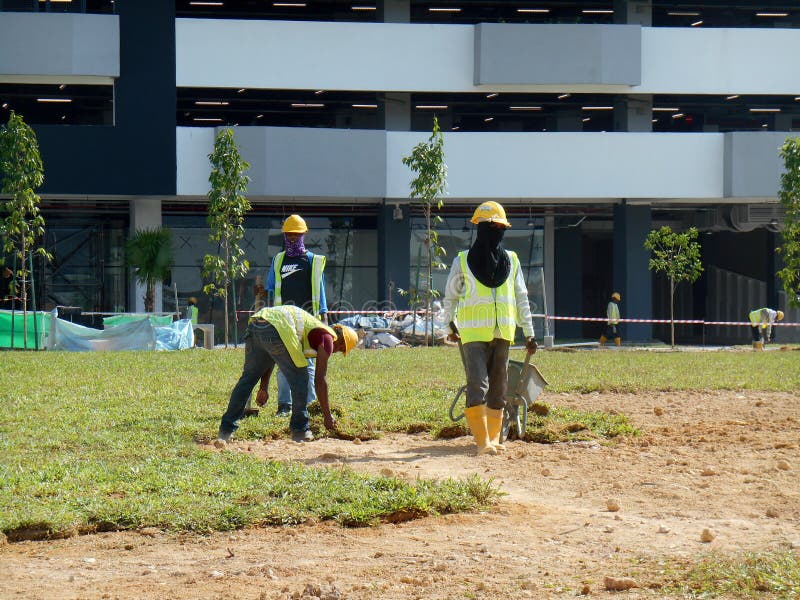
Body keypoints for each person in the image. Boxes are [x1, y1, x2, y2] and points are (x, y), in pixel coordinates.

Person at [441, 201, 537, 456]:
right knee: (478, 386)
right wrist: (448, 325)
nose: (497, 232)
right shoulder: (462, 262)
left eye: (500, 227)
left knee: (498, 389)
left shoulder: (511, 261)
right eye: (493, 227)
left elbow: (521, 298)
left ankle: (494, 439)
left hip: (503, 334)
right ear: (481, 228)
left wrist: (529, 332)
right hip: (472, 335)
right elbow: (450, 297)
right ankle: (482, 442)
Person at [215, 304, 357, 446]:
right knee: (301, 378)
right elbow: (320, 379)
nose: (336, 351)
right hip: (276, 327)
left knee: (247, 379)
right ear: (341, 340)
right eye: (341, 348)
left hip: (256, 324)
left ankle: (225, 431)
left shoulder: (313, 330)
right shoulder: (327, 338)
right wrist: (327, 416)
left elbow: (270, 356)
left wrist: (263, 387)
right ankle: (300, 429)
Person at [265, 214, 328, 417]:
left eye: (296, 234)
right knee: (284, 364)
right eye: (289, 234)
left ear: (303, 235)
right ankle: (285, 405)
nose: (292, 238)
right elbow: (271, 290)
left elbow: (320, 291)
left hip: (308, 321)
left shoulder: (312, 261)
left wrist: (323, 319)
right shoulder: (278, 261)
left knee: (308, 362)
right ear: (284, 235)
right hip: (283, 321)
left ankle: (310, 405)